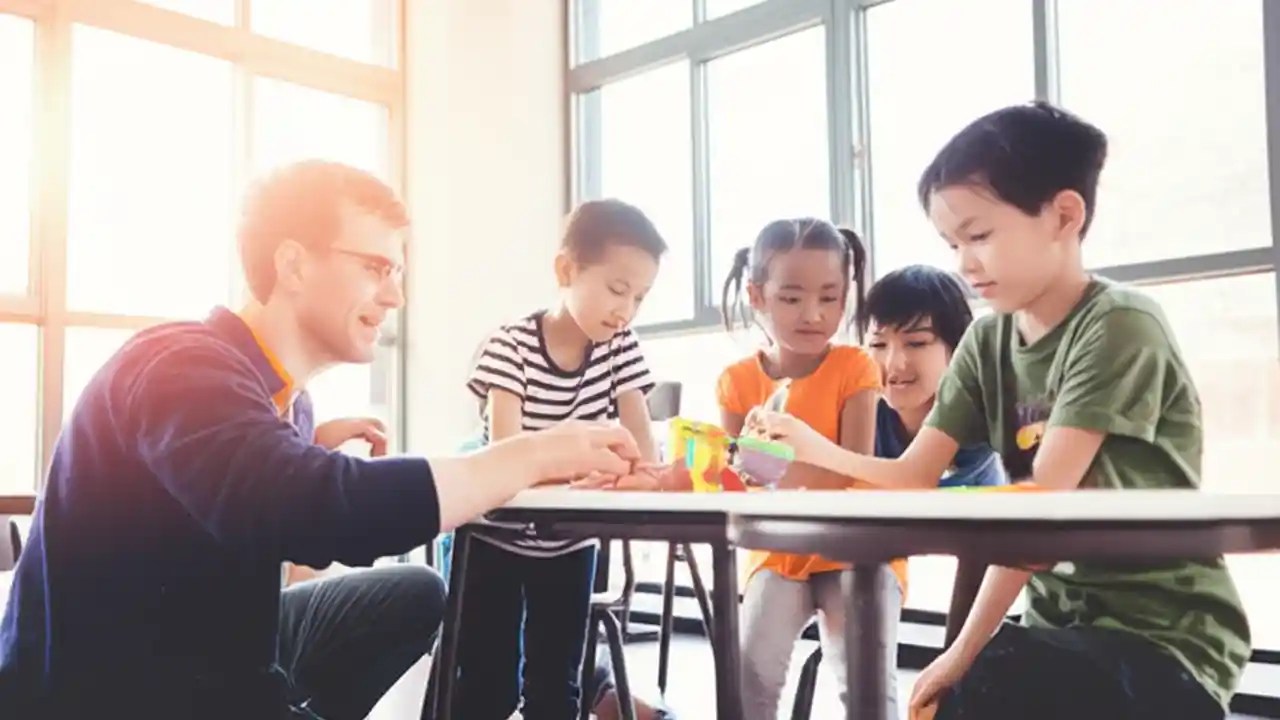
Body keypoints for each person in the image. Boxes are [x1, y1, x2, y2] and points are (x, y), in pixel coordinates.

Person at [0, 160, 640, 720]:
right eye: (375, 267)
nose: (395, 294)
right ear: (293, 263)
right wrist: (535, 452)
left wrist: (316, 442)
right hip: (105, 692)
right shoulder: (180, 363)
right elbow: (315, 508)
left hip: (214, 655)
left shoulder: (284, 399)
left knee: (415, 592)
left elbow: (258, 485)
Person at [747, 102, 1251, 720]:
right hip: (1057, 626)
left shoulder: (1119, 324)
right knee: (972, 686)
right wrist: (809, 445)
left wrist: (962, 654)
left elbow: (1040, 506)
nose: (964, 262)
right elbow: (912, 475)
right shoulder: (988, 343)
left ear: (1064, 215)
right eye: (952, 243)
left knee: (992, 679)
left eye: (979, 236)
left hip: (1163, 639)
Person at [457, 198, 664, 720]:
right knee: (488, 689)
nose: (626, 310)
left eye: (639, 297)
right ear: (565, 270)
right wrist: (583, 468)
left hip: (570, 539)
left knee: (556, 689)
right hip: (495, 539)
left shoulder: (621, 349)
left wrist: (627, 468)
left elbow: (645, 453)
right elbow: (508, 461)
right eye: (618, 290)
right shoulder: (511, 346)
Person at [716, 218, 894, 720]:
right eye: (791, 298)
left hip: (856, 548)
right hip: (777, 552)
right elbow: (733, 481)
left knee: (866, 689)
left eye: (830, 297)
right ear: (757, 295)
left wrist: (763, 468)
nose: (813, 314)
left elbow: (848, 474)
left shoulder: (857, 367)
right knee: (748, 681)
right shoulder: (735, 382)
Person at [860, 265, 1003, 489]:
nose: (893, 363)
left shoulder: (979, 423)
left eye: (916, 343)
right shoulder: (861, 417)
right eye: (878, 344)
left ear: (958, 348)